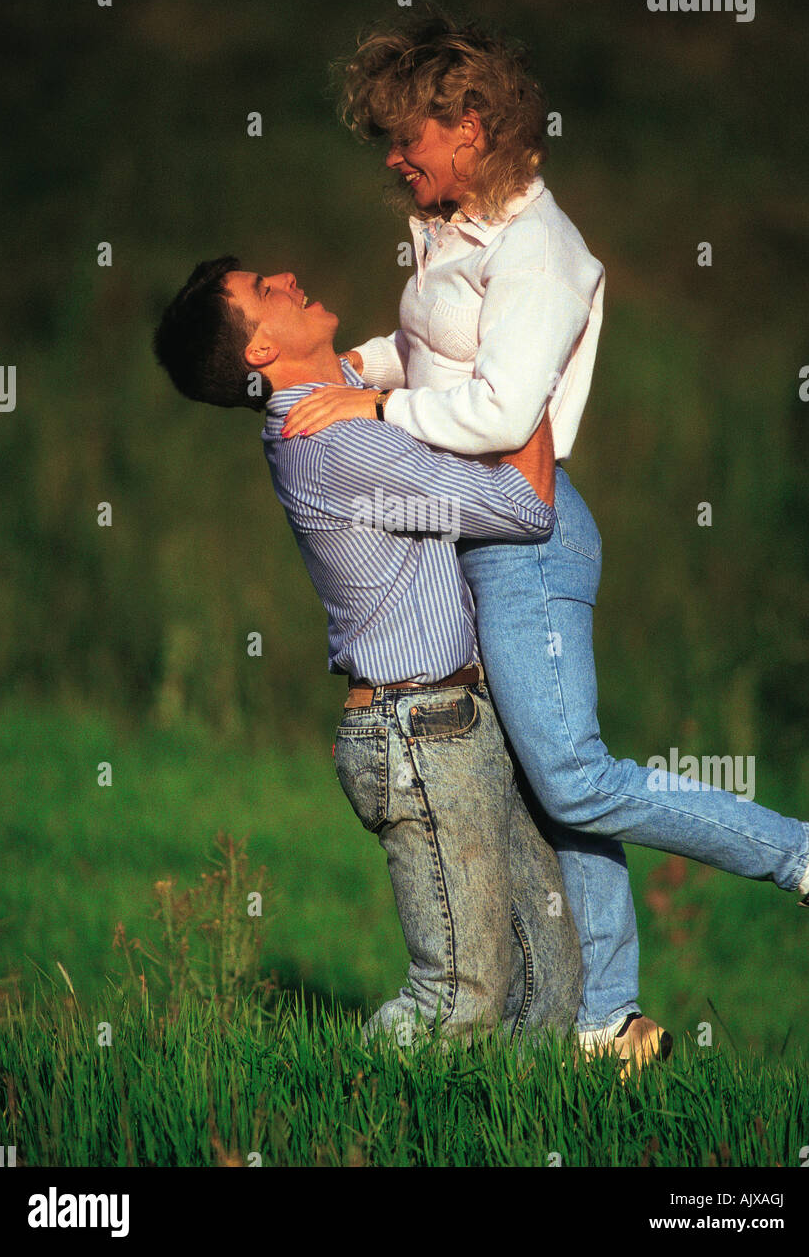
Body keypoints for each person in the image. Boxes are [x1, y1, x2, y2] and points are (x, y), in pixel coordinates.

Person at [281, 10, 809, 1060]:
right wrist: (346, 373)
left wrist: (374, 415)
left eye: (407, 139)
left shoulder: (538, 249)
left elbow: (496, 415)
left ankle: (805, 854)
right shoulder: (450, 227)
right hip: (487, 527)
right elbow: (420, 349)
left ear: (473, 123)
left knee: (573, 774)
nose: (392, 160)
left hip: (529, 536)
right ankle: (606, 1019)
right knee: (557, 778)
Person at [153, 257, 584, 1050]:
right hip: (418, 731)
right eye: (262, 291)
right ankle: (339, 1112)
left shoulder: (327, 401)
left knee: (549, 982)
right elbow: (522, 509)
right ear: (258, 353)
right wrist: (532, 376)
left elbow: (383, 358)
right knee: (457, 999)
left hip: (454, 719)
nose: (286, 274)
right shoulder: (341, 442)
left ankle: (523, 1136)